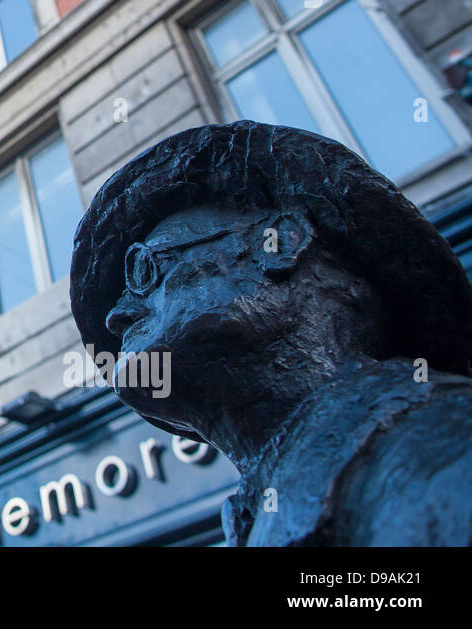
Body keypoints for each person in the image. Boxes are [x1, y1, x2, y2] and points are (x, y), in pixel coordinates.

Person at [68, 121, 472, 545]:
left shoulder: (443, 447)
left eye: (144, 271)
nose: (117, 316)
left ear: (280, 243)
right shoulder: (262, 515)